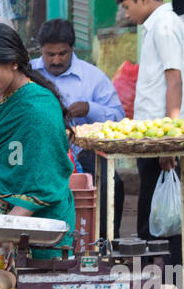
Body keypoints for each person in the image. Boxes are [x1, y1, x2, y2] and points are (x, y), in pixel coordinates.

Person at [0, 24, 74, 259]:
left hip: (39, 226)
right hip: (2, 218)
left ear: (13, 63)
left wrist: (7, 229)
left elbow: (47, 182)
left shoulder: (39, 109)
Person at [118, 0, 184, 266]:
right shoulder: (158, 26)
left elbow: (175, 81)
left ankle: (164, 274)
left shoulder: (163, 27)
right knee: (152, 203)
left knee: (158, 208)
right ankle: (152, 270)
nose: (126, 14)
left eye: (127, 7)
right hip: (152, 134)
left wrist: (168, 142)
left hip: (160, 136)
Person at [33, 17, 126, 238]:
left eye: (62, 54)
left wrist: (90, 108)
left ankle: (103, 242)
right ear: (41, 50)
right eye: (50, 54)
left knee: (112, 185)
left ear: (72, 49)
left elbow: (119, 117)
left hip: (83, 152)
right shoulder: (29, 74)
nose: (56, 60)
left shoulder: (92, 77)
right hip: (39, 151)